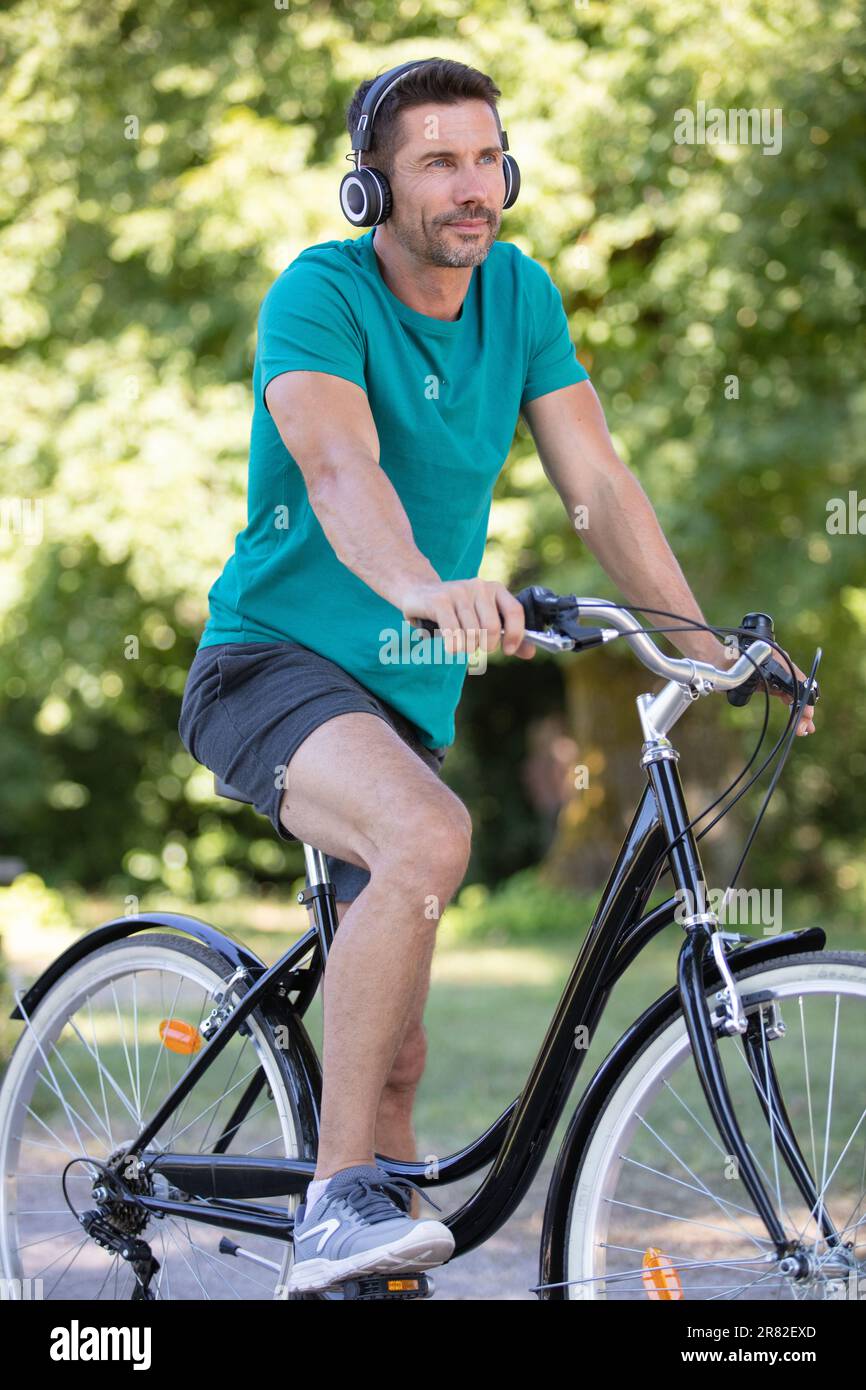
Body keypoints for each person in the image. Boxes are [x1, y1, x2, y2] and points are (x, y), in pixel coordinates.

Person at [178, 58, 816, 1293]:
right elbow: (337, 466)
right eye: (437, 162)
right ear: (372, 188)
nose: (473, 188)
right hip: (268, 668)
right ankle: (328, 1204)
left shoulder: (517, 296)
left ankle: (370, 1247)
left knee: (401, 1061)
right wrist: (422, 585)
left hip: (393, 705)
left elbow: (596, 483)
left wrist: (701, 644)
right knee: (428, 834)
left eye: (486, 158)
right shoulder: (318, 296)